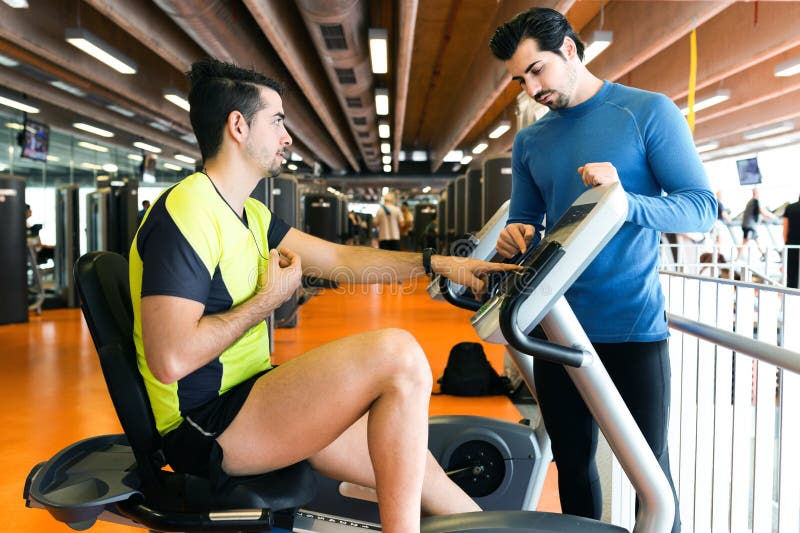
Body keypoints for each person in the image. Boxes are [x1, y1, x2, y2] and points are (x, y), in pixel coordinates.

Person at [130, 58, 519, 532]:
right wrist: (264, 303)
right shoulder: (188, 211)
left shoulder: (249, 213)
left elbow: (337, 261)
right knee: (399, 356)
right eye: (277, 121)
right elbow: (169, 359)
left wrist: (437, 263)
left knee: (423, 473)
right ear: (238, 126)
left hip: (250, 394)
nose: (287, 137)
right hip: (206, 426)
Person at [489, 8, 716, 532]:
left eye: (537, 70)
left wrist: (621, 200)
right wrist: (515, 237)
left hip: (632, 328)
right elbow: (527, 221)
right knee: (572, 467)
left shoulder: (647, 112)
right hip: (556, 328)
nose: (530, 88)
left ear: (570, 49)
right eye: (520, 80)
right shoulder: (530, 141)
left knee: (650, 475)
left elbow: (701, 209)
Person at [737, 187, 776, 261]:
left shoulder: (751, 201)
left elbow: (755, 213)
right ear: (756, 193)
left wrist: (764, 218)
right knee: (745, 242)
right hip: (749, 226)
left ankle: (763, 254)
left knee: (755, 240)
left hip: (748, 225)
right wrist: (773, 217)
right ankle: (737, 258)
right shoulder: (755, 201)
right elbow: (762, 211)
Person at [783, 194, 800, 288]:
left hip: (791, 246)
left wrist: (786, 244)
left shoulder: (790, 208)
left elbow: (785, 229)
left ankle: (791, 298)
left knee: (792, 276)